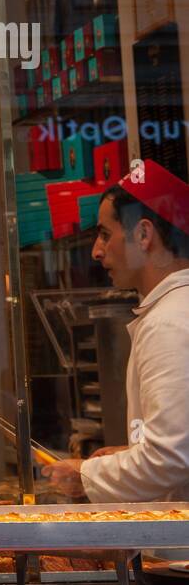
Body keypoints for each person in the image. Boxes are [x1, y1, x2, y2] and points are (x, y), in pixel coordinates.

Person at [42, 161, 189, 502]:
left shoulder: (168, 322)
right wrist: (129, 454)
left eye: (105, 234)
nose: (96, 250)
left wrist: (85, 474)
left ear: (143, 234)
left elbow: (170, 458)